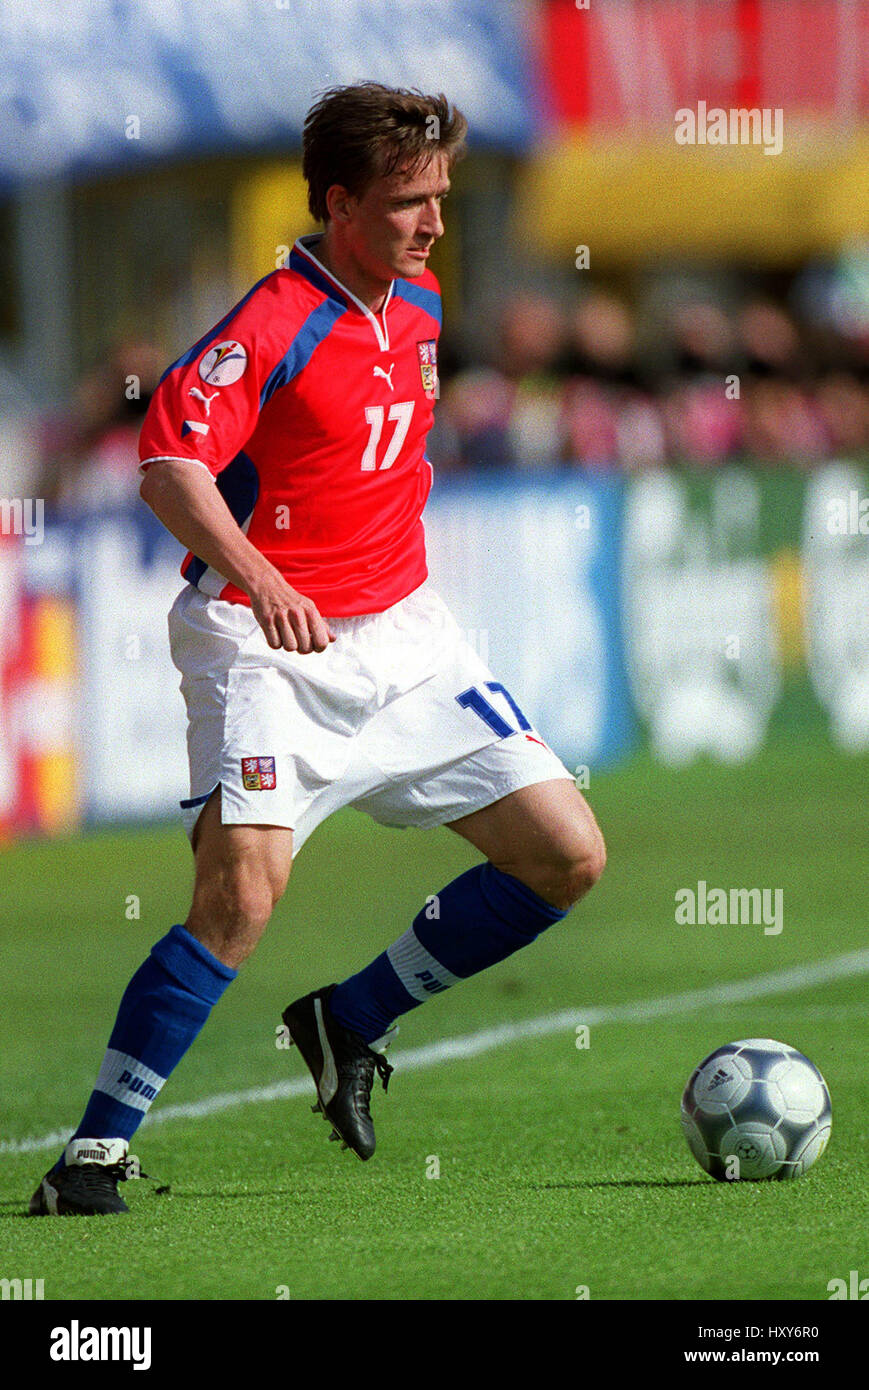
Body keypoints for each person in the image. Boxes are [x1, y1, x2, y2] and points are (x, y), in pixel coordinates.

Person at [29, 82, 605, 1216]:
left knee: (565, 854)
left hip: (407, 637)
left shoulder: (420, 302)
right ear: (339, 205)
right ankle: (90, 1157)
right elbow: (168, 465)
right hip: (266, 647)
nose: (434, 222)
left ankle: (351, 1019)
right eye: (408, 202)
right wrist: (263, 575)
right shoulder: (272, 321)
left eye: (440, 196)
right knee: (239, 896)